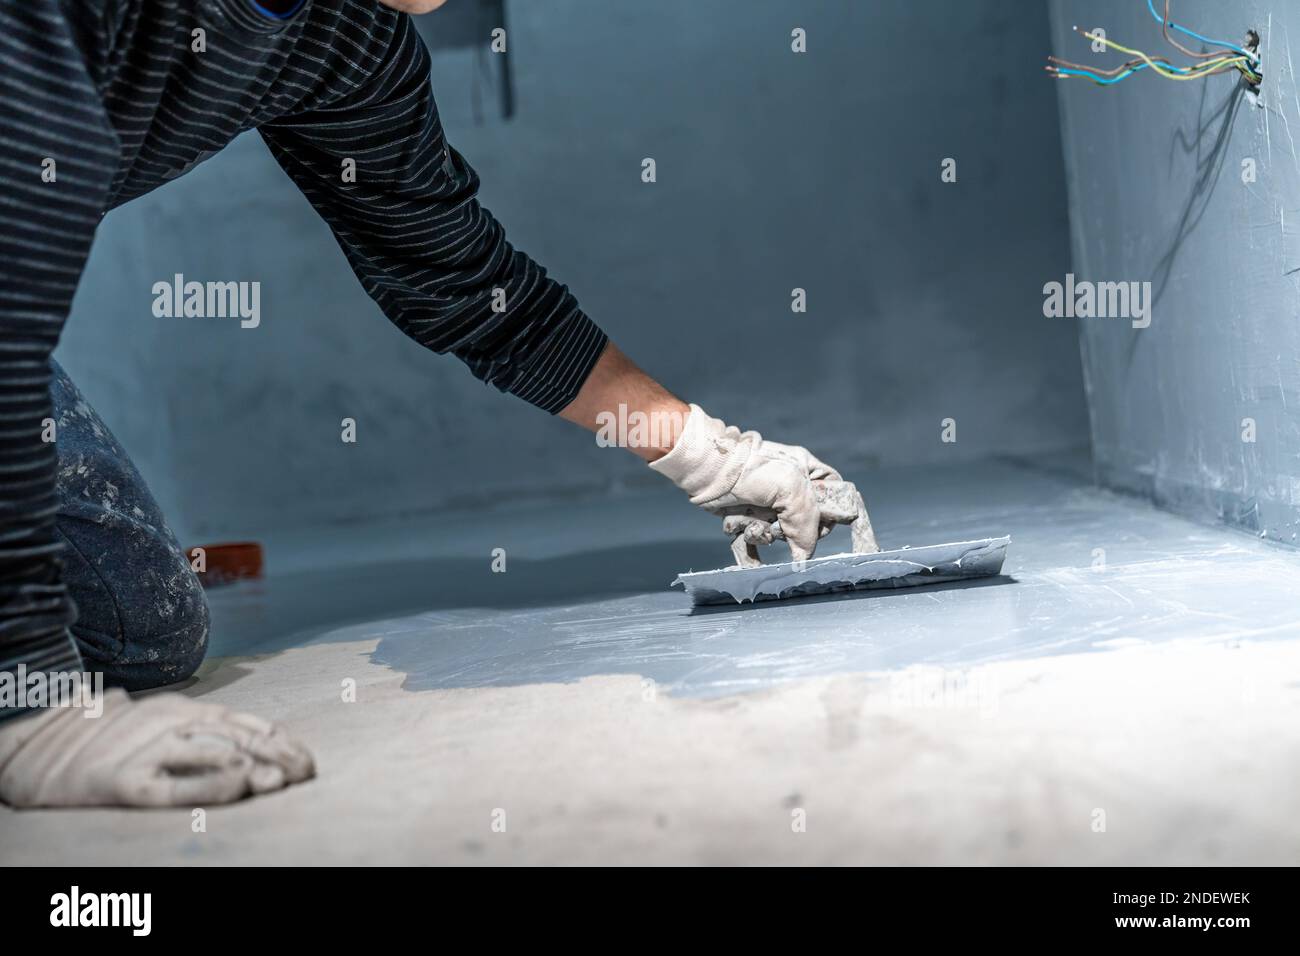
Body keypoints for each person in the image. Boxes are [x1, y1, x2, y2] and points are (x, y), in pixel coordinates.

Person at [0, 0, 864, 808]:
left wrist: (715, 459)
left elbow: (464, 283)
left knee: (137, 630)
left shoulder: (349, 39)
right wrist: (30, 710)